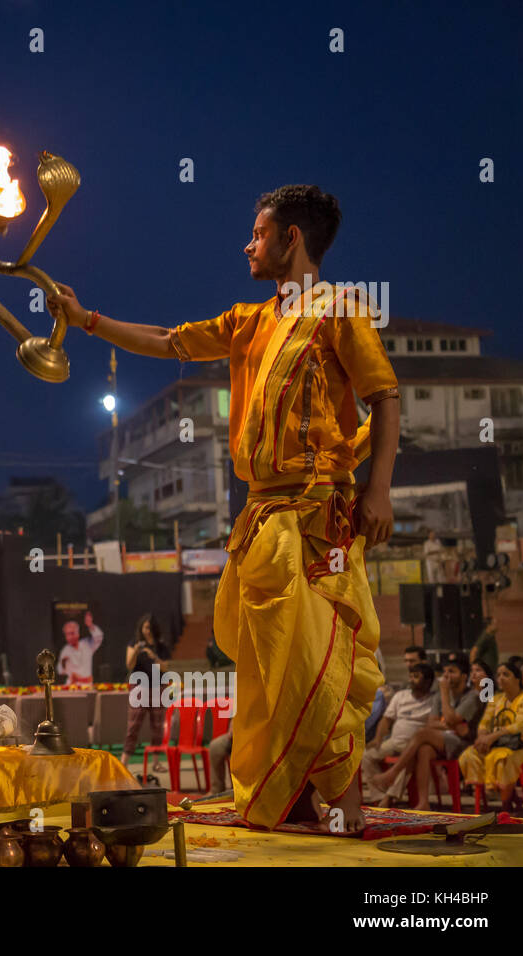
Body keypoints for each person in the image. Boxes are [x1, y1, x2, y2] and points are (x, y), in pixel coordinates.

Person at [52, 184, 399, 831]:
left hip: (319, 517)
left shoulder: (341, 310)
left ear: (291, 239)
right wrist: (86, 320)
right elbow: (167, 341)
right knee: (269, 673)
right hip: (262, 520)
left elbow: (385, 398)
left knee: (317, 664)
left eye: (259, 233)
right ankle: (287, 800)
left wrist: (378, 490)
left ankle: (350, 812)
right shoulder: (247, 321)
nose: (249, 244)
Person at [369, 653, 483, 809]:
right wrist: (450, 724)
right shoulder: (439, 696)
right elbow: (432, 722)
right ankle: (423, 802)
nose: (446, 676)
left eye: (452, 672)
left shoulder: (472, 696)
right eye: (445, 672)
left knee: (421, 734)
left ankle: (393, 773)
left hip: (462, 743)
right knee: (423, 750)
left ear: (464, 676)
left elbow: (450, 719)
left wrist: (444, 696)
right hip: (441, 740)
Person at [459, 658, 523, 811]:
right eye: (498, 675)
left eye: (505, 675)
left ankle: (505, 806)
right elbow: (485, 722)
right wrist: (482, 736)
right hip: (498, 743)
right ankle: (484, 804)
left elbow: (520, 725)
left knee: (501, 757)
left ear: (517, 679)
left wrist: (491, 737)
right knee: (470, 754)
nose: (500, 678)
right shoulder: (496, 698)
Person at [361, 662, 438, 806]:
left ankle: (389, 797)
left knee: (410, 757)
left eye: (416, 676)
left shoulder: (434, 700)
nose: (411, 680)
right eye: (410, 676)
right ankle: (378, 796)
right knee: (366, 755)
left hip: (414, 744)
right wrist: (378, 739)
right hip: (393, 741)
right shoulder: (401, 696)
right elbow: (386, 719)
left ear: (428, 681)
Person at [123, 613, 170, 762]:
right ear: (141, 628)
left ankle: (156, 761)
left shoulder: (161, 646)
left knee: (157, 726)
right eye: (145, 627)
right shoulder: (134, 643)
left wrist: (153, 655)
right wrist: (137, 651)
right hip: (139, 689)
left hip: (158, 688)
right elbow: (129, 665)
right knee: (133, 726)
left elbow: (165, 667)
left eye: (150, 628)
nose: (147, 631)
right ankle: (124, 762)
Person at [57, 618, 102, 685]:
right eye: (67, 634)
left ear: (78, 632)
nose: (69, 637)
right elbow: (60, 670)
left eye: (72, 633)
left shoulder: (87, 644)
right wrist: (63, 663)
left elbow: (99, 637)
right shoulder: (65, 650)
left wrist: (90, 625)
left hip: (87, 684)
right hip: (72, 685)